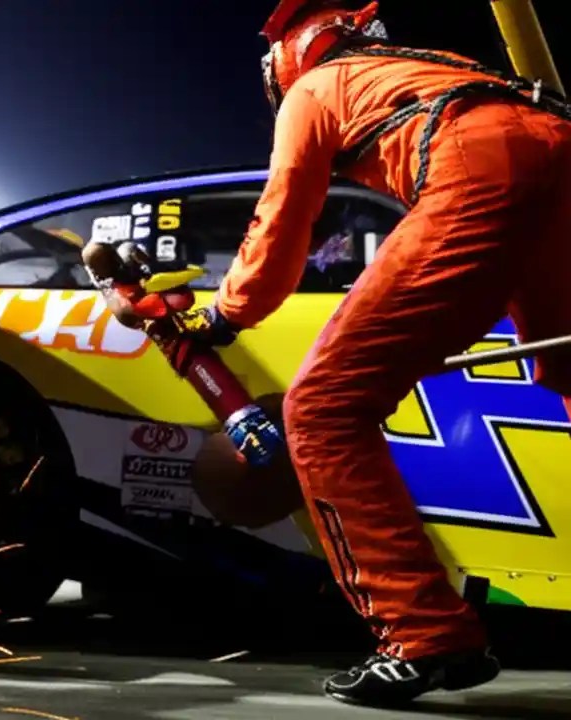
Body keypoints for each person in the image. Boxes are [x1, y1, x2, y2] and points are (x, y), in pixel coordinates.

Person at [98, 0, 571, 707]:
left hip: (480, 170)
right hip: (556, 148)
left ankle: (425, 637)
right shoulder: (421, 68)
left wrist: (225, 314)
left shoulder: (314, 92)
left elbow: (282, 218)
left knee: (321, 410)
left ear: (286, 58)